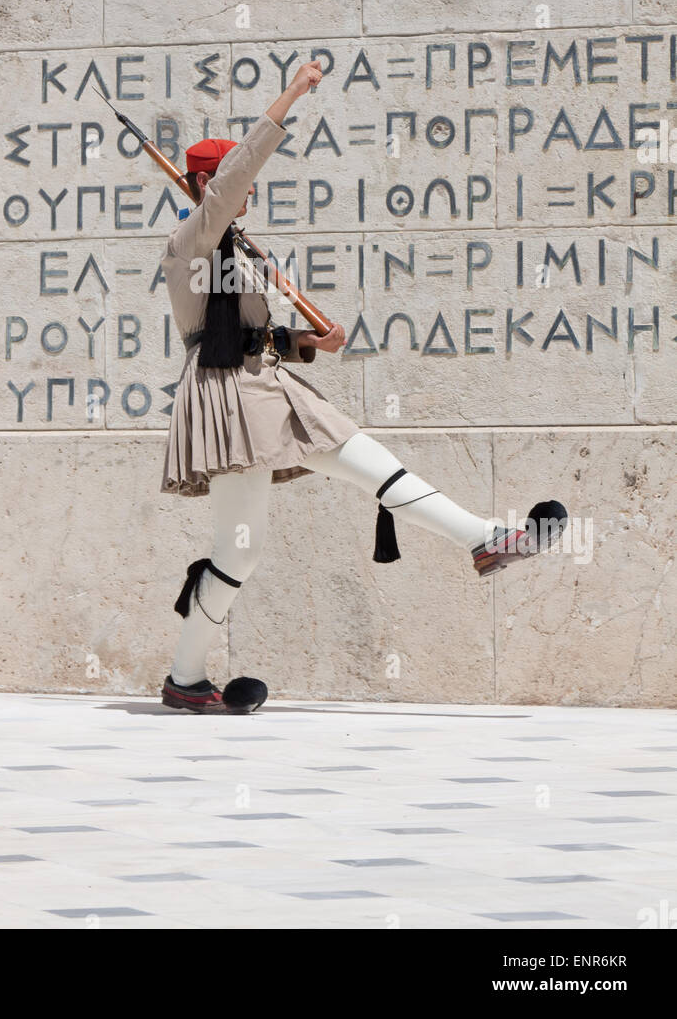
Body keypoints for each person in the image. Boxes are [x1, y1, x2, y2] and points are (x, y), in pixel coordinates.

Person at [158, 60, 567, 713]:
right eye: (236, 182)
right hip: (229, 403)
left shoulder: (234, 249)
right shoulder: (192, 241)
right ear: (209, 184)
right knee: (240, 550)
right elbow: (212, 328)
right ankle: (185, 676)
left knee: (373, 463)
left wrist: (305, 343)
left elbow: (249, 332)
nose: (251, 194)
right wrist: (291, 94)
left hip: (272, 390)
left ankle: (485, 540)